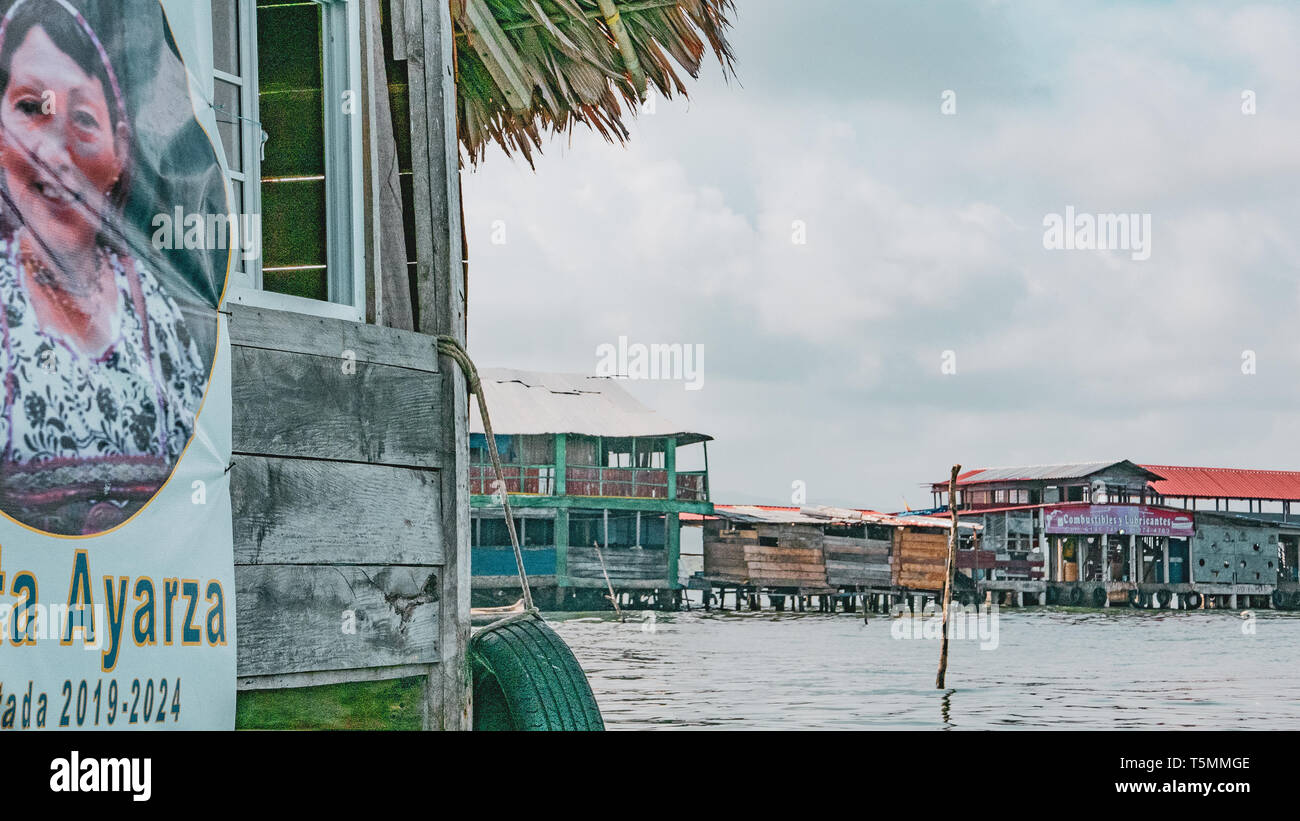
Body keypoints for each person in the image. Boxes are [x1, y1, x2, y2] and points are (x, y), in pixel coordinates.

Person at [0, 0, 207, 535]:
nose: (56, 151)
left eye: (84, 119)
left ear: (118, 152)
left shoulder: (155, 317)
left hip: (139, 614)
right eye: (30, 108)